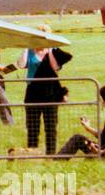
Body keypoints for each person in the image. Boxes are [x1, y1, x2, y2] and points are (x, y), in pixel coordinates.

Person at [23, 26, 72, 154]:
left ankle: (51, 154)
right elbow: (21, 64)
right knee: (33, 126)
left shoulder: (54, 51)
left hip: (50, 94)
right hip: (33, 94)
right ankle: (32, 152)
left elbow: (55, 67)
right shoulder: (30, 51)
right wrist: (26, 46)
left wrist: (49, 49)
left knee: (50, 127)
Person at [56, 84, 105, 157]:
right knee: (78, 138)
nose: (100, 102)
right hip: (104, 150)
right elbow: (104, 136)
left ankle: (56, 162)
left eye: (101, 99)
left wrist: (100, 152)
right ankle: (56, 161)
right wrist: (88, 128)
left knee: (79, 141)